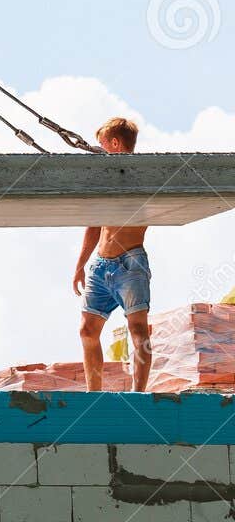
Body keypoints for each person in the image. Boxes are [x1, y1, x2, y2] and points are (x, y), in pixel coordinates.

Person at [73, 117, 150, 392]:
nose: (99, 152)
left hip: (130, 262)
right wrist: (80, 265)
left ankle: (137, 394)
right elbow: (95, 223)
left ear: (115, 144)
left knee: (138, 329)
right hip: (101, 265)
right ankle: (93, 394)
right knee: (87, 330)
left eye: (102, 146)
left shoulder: (144, 176)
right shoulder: (105, 181)